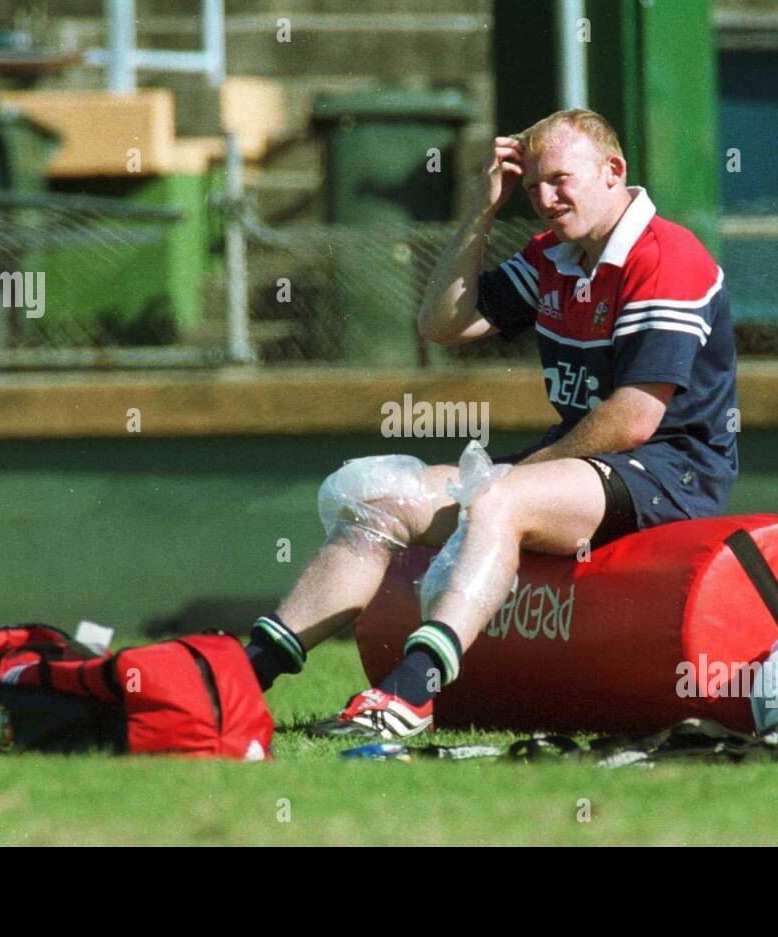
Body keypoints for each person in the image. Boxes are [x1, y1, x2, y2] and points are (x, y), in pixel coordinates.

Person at [244, 108, 739, 739]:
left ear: (613, 171)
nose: (544, 198)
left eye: (560, 180)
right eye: (532, 186)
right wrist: (482, 211)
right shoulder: (552, 255)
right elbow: (443, 324)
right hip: (581, 467)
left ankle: (410, 696)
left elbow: (635, 418)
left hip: (670, 474)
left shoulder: (668, 256)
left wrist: (508, 480)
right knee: (379, 496)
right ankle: (243, 675)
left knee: (498, 499)